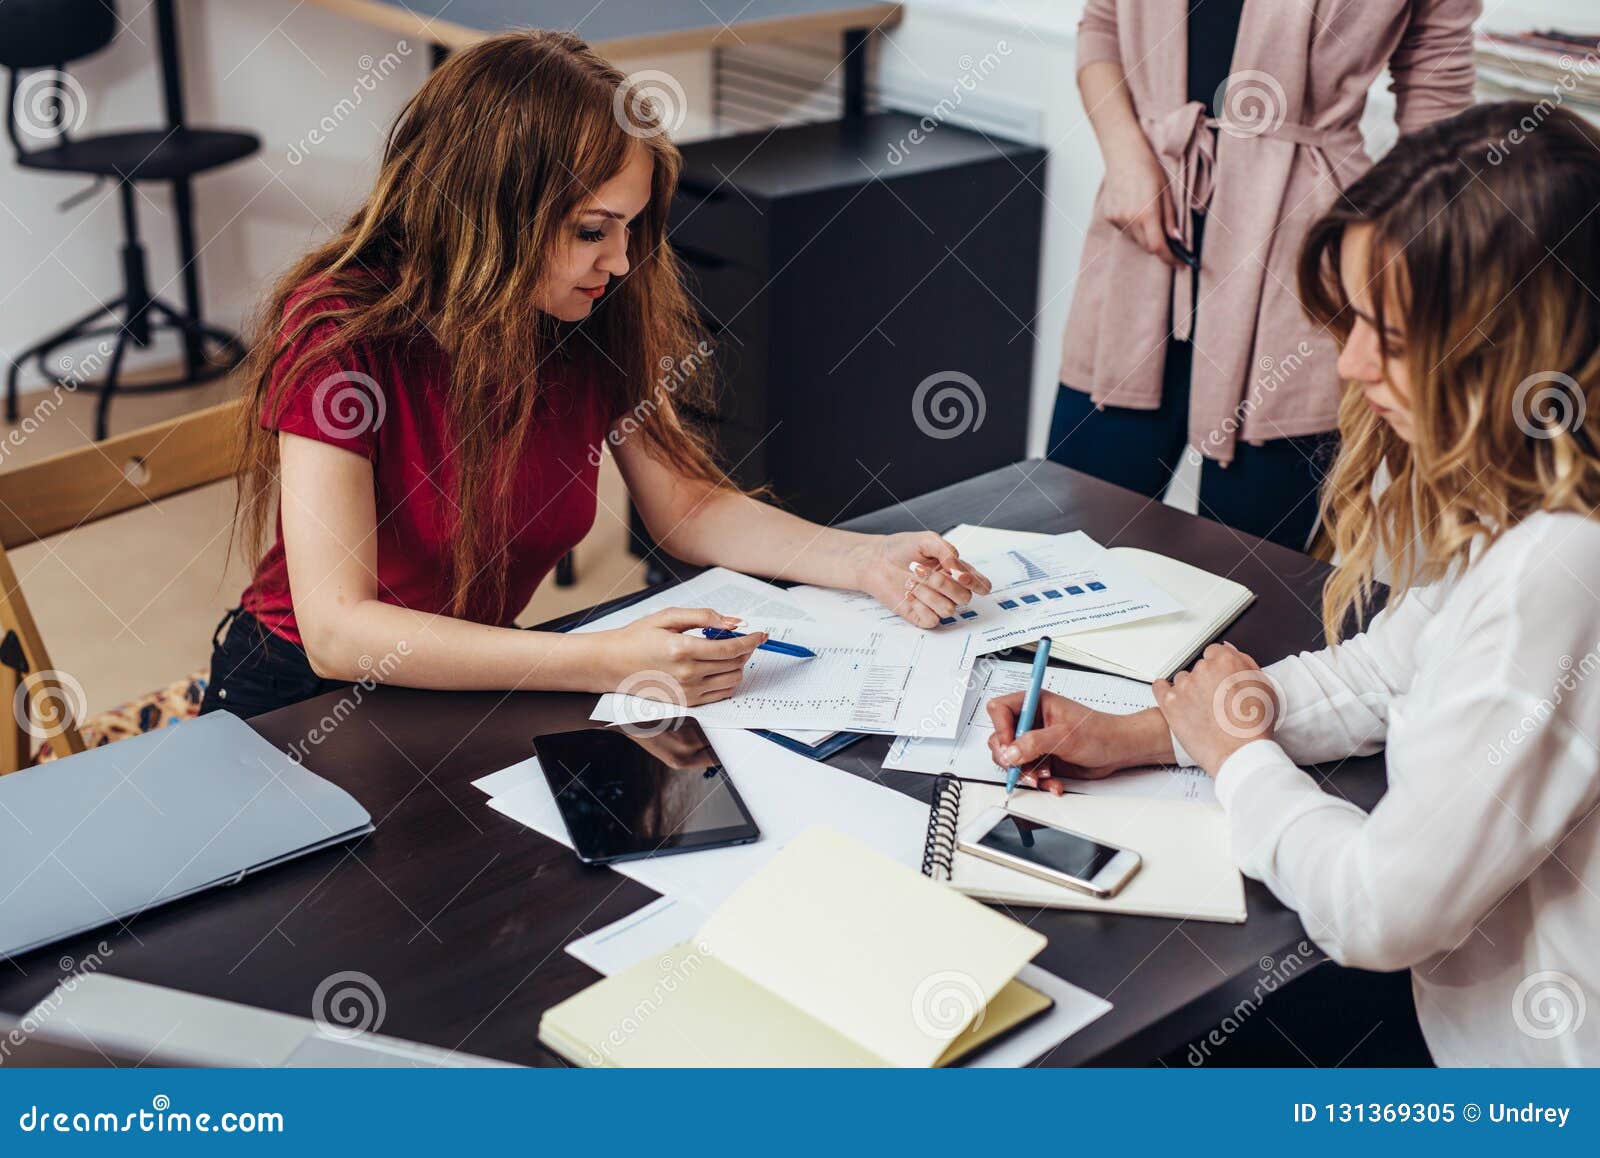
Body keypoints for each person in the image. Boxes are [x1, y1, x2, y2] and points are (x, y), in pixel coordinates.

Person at [990, 103, 1600, 1066]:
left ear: (1511, 344)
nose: (1350, 364)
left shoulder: (1558, 573)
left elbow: (1379, 911)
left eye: (1388, 335)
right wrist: (1150, 732)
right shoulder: (1536, 495)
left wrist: (1238, 761)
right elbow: (1384, 672)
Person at [201, 31, 991, 720]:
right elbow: (339, 632)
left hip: (463, 684)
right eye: (590, 231)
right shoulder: (339, 330)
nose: (619, 261)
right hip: (303, 698)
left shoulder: (582, 314)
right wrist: (604, 659)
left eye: (631, 228)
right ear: (491, 213)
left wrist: (864, 561)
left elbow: (686, 505)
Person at [1049, 0, 1480, 549]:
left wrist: (1395, 255)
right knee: (1072, 533)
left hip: (1301, 270)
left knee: (1252, 562)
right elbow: (1102, 23)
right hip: (1140, 248)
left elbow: (1436, 93)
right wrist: (1124, 155)